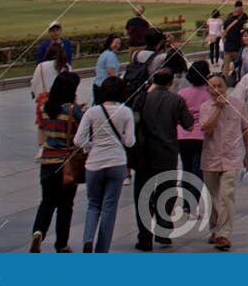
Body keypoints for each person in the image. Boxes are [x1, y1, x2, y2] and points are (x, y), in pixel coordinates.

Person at [132, 67, 192, 251]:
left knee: (143, 195)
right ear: (170, 82)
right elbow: (188, 125)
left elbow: (134, 122)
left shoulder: (141, 98)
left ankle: (144, 237)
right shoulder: (176, 100)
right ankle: (163, 231)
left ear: (153, 81)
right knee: (167, 191)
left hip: (144, 154)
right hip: (168, 153)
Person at [75, 75, 136, 253]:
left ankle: (88, 239)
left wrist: (92, 146)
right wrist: (120, 139)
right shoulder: (126, 112)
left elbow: (78, 140)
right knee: (109, 207)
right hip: (117, 162)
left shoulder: (92, 112)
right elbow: (130, 142)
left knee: (93, 204)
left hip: (94, 163)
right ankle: (102, 249)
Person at [30, 70, 84, 253]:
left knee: (47, 201)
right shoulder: (72, 110)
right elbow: (82, 132)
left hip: (47, 161)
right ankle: (61, 244)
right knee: (65, 205)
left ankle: (38, 232)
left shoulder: (46, 107)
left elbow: (44, 128)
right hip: (66, 163)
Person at [200, 71, 248, 251]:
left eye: (219, 86)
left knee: (226, 194)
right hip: (211, 157)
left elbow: (246, 129)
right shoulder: (205, 107)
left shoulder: (239, 105)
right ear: (207, 89)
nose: (216, 90)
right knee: (213, 196)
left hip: (232, 157)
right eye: (212, 87)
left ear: (226, 87)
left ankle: (224, 234)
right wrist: (218, 108)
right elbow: (206, 128)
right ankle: (215, 229)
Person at [177, 61, 212, 181]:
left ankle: (186, 191)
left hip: (183, 135)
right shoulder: (209, 93)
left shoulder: (182, 93)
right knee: (198, 170)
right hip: (201, 135)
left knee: (186, 168)